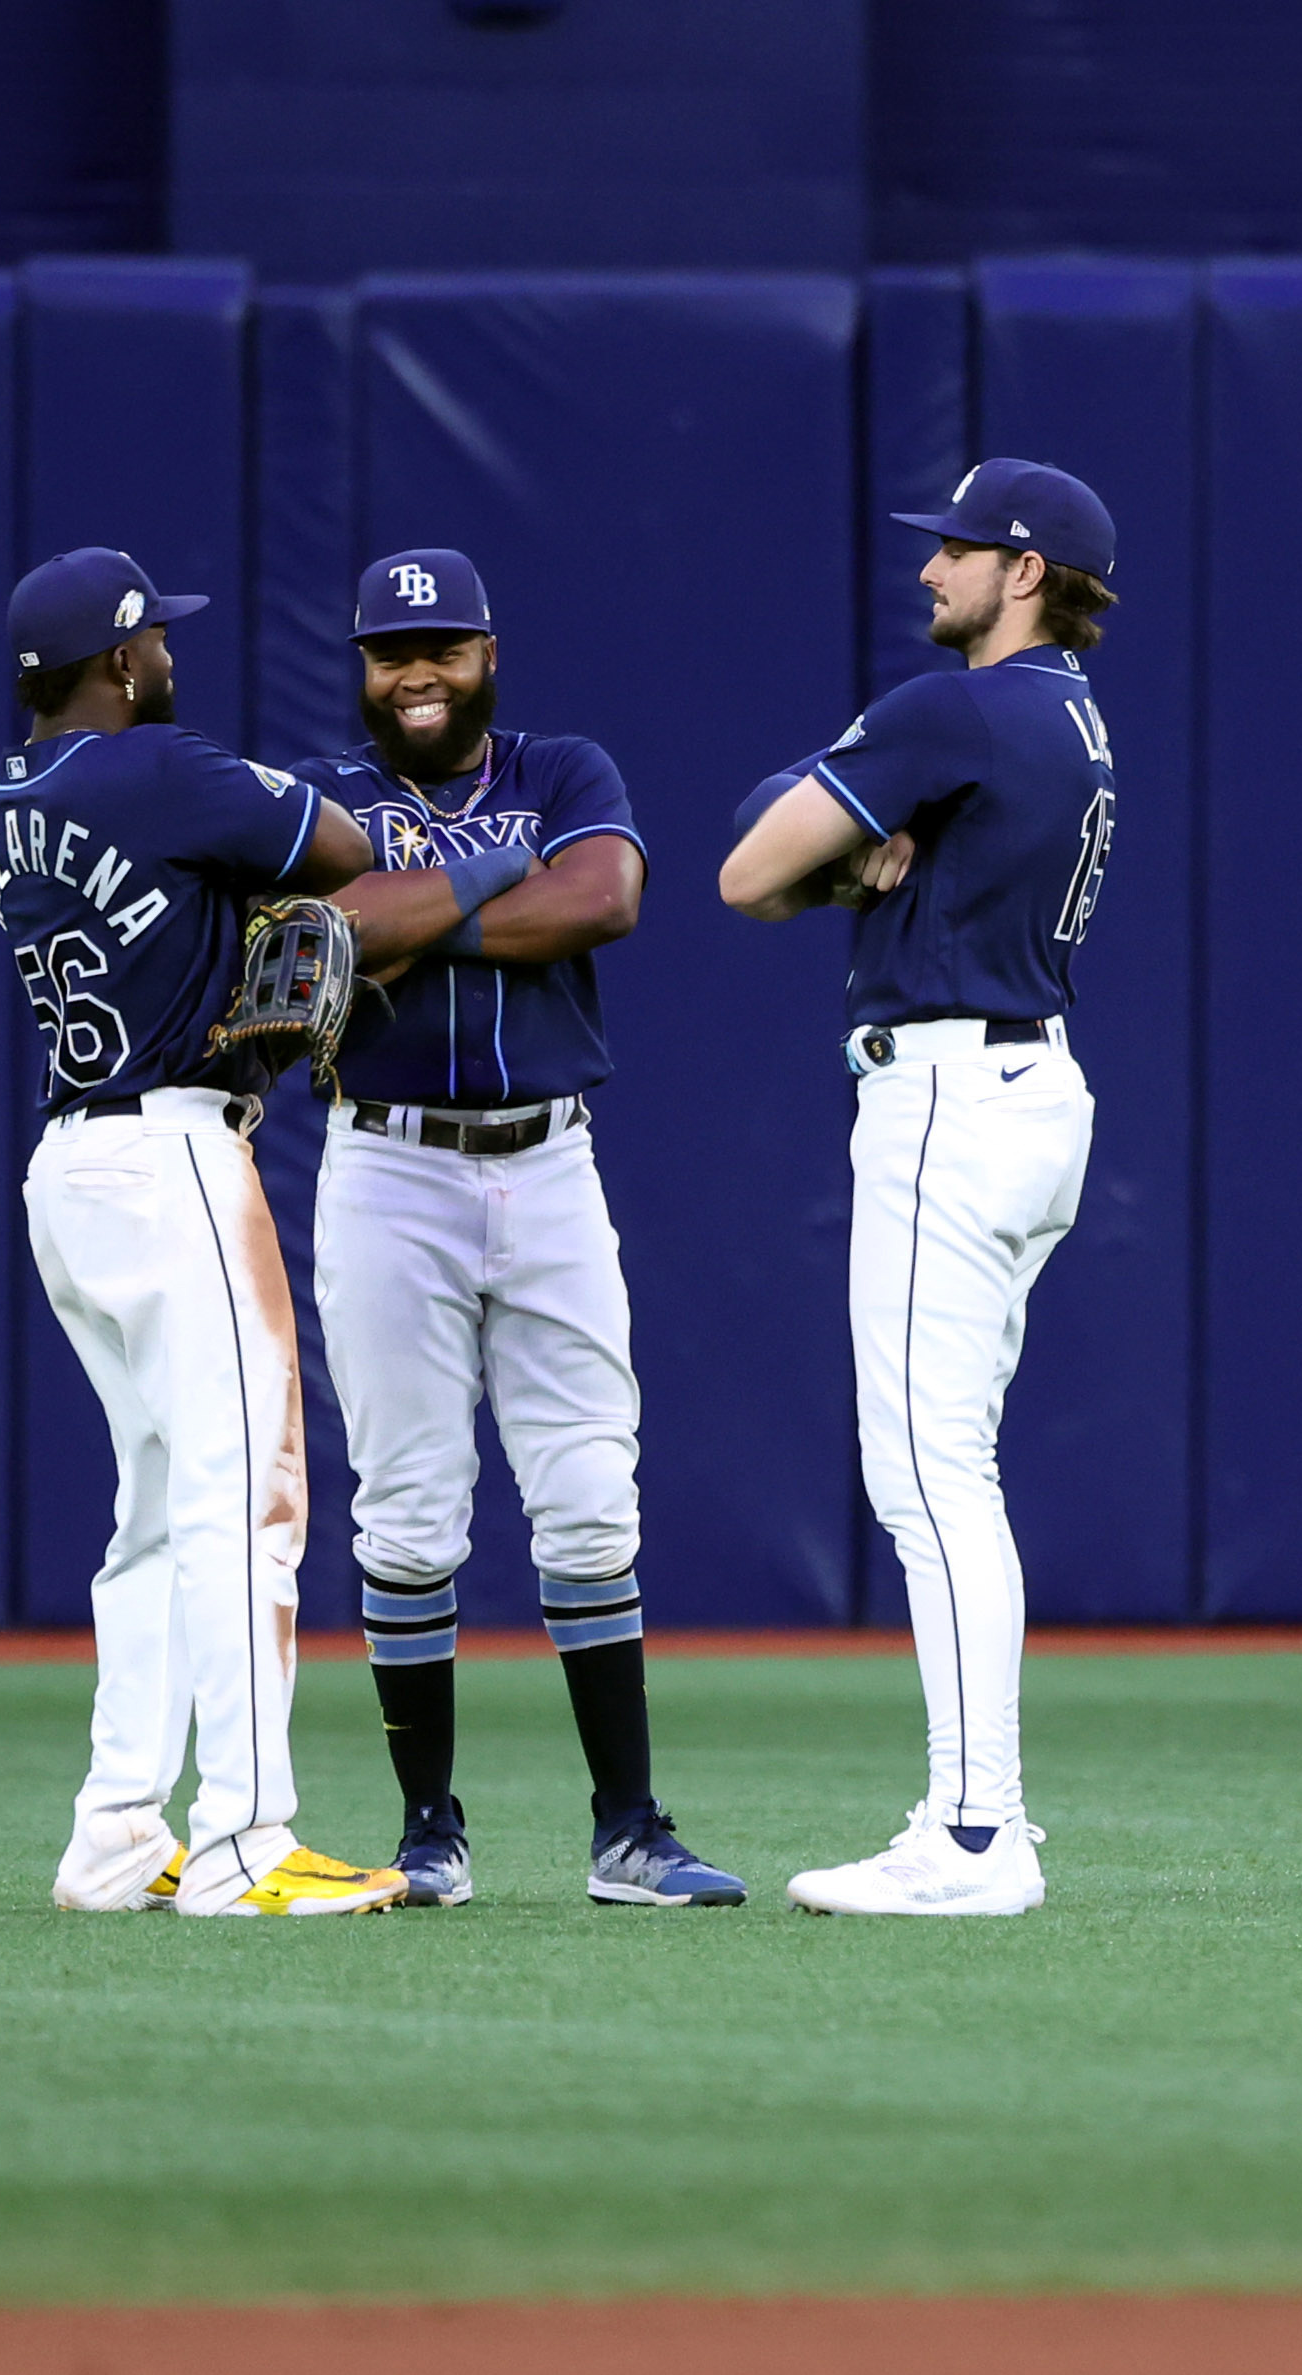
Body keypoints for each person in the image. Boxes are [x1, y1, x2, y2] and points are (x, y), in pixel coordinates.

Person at [286, 548, 745, 1911]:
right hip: (389, 1164)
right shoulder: (328, 794)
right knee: (408, 1510)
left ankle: (630, 1832)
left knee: (591, 1496)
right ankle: (428, 1831)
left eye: (442, 647)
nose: (416, 674)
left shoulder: (564, 769)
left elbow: (602, 900)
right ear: (362, 668)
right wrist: (494, 876)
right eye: (391, 653)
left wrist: (428, 908)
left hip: (549, 1161)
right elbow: (330, 929)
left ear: (489, 653)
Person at [718, 460, 1118, 1917]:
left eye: (957, 548)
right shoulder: (1067, 713)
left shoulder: (954, 709)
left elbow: (746, 869)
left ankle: (975, 1834)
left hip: (949, 1093)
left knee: (929, 1476)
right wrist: (849, 846)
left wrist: (830, 862)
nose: (931, 567)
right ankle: (970, 1817)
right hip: (1031, 1086)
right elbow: (783, 842)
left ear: (1025, 571)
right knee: (955, 1468)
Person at [0, 544, 407, 1917]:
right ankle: (243, 1842)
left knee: (159, 1516)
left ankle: (118, 1834)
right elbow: (341, 849)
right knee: (247, 1503)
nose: (170, 654)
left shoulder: (6, 796)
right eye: (154, 639)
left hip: (72, 1167)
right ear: (119, 661)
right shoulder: (158, 767)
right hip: (172, 1158)